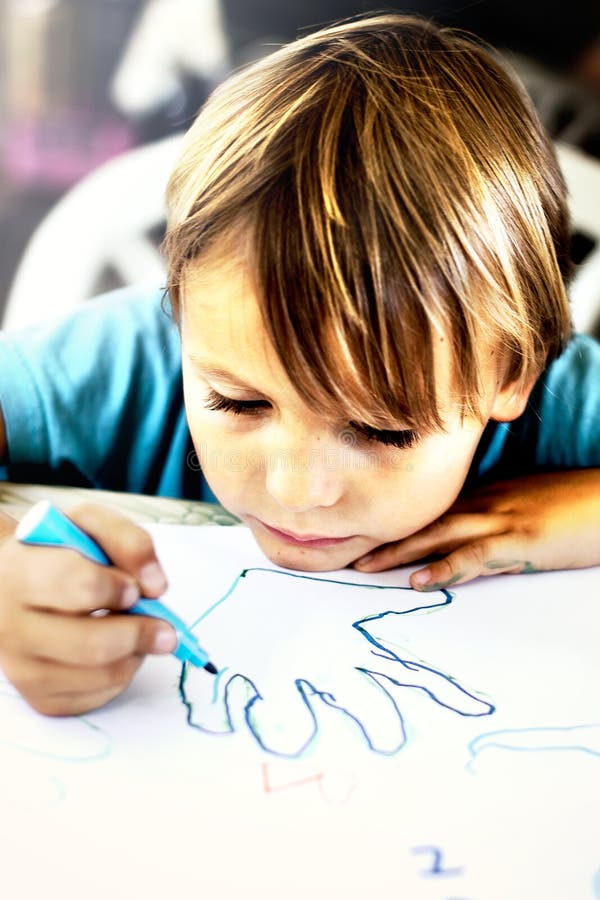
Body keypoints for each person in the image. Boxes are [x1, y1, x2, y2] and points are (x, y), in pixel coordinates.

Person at [0, 14, 598, 716]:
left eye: (382, 431)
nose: (296, 489)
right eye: (238, 403)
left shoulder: (554, 394)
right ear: (184, 314)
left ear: (510, 378)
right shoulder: (125, 357)